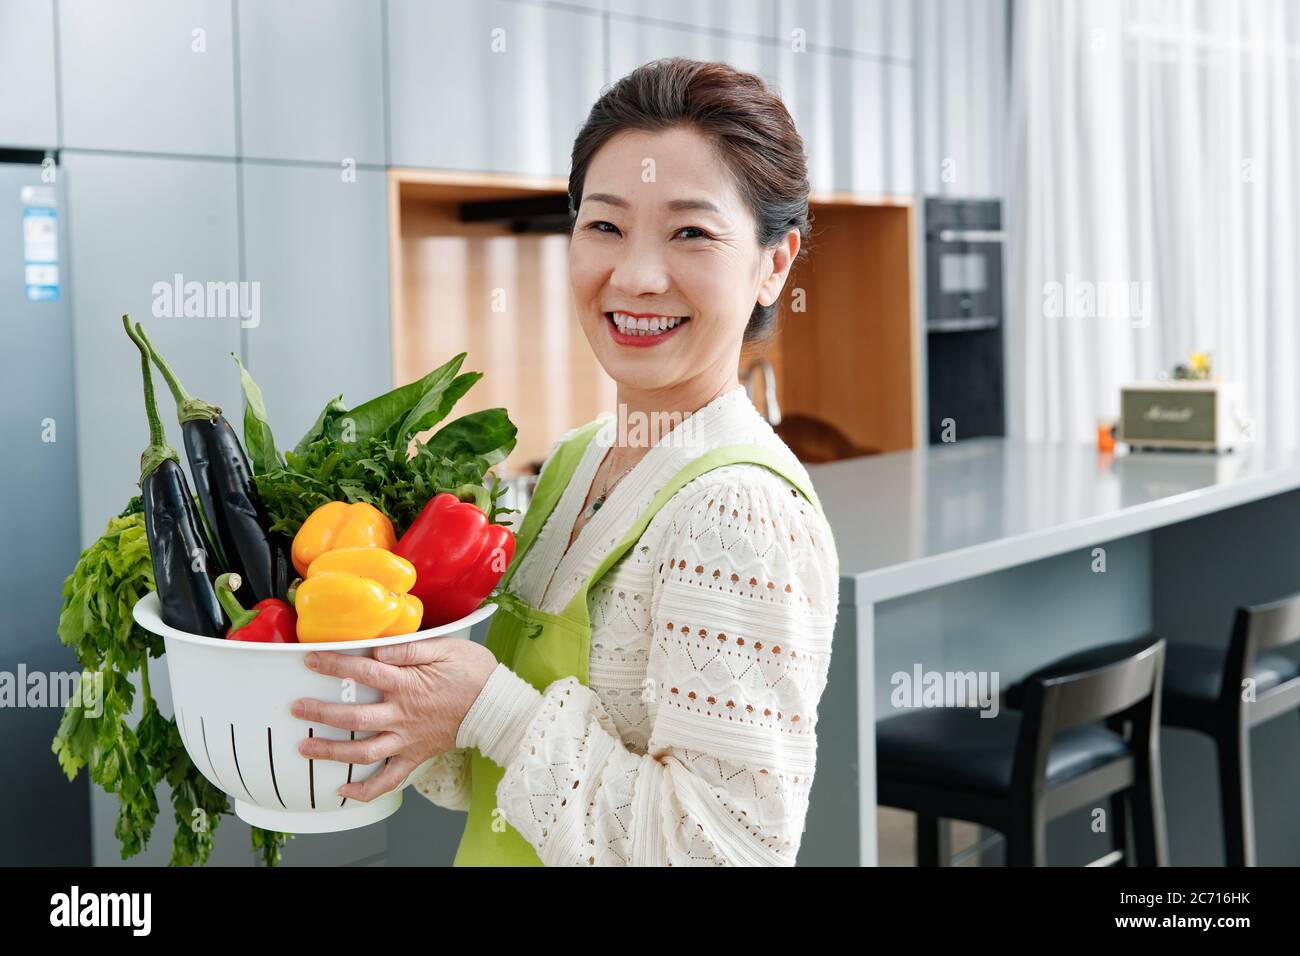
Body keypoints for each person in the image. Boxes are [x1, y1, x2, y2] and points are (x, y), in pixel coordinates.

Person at [293, 57, 840, 866]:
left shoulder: (736, 511)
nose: (636, 275)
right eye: (605, 225)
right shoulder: (580, 460)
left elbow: (729, 853)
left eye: (691, 231)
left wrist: (488, 709)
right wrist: (413, 700)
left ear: (773, 265)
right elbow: (495, 763)